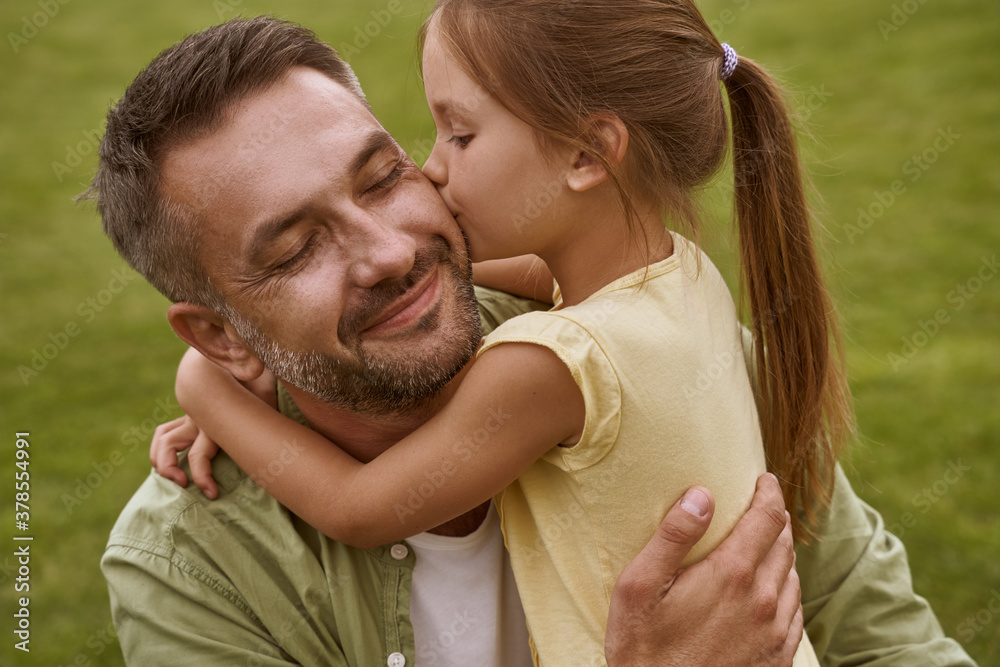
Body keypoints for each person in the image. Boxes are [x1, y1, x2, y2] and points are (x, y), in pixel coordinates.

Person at [89, 15, 974, 667]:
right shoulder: (193, 570)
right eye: (296, 249)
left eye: (386, 173)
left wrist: (206, 387)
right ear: (220, 333)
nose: (393, 251)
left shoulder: (614, 361)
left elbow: (892, 642)